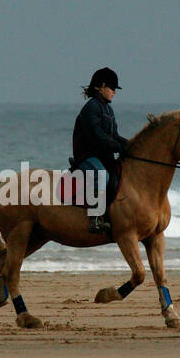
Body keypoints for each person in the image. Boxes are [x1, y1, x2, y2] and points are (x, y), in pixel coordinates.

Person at [71, 67, 128, 234]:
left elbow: (114, 135)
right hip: (87, 156)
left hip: (103, 155)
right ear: (99, 87)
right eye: (111, 88)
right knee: (102, 175)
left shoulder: (108, 110)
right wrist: (117, 146)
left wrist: (130, 145)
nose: (114, 92)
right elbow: (98, 136)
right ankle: (94, 219)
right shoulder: (91, 108)